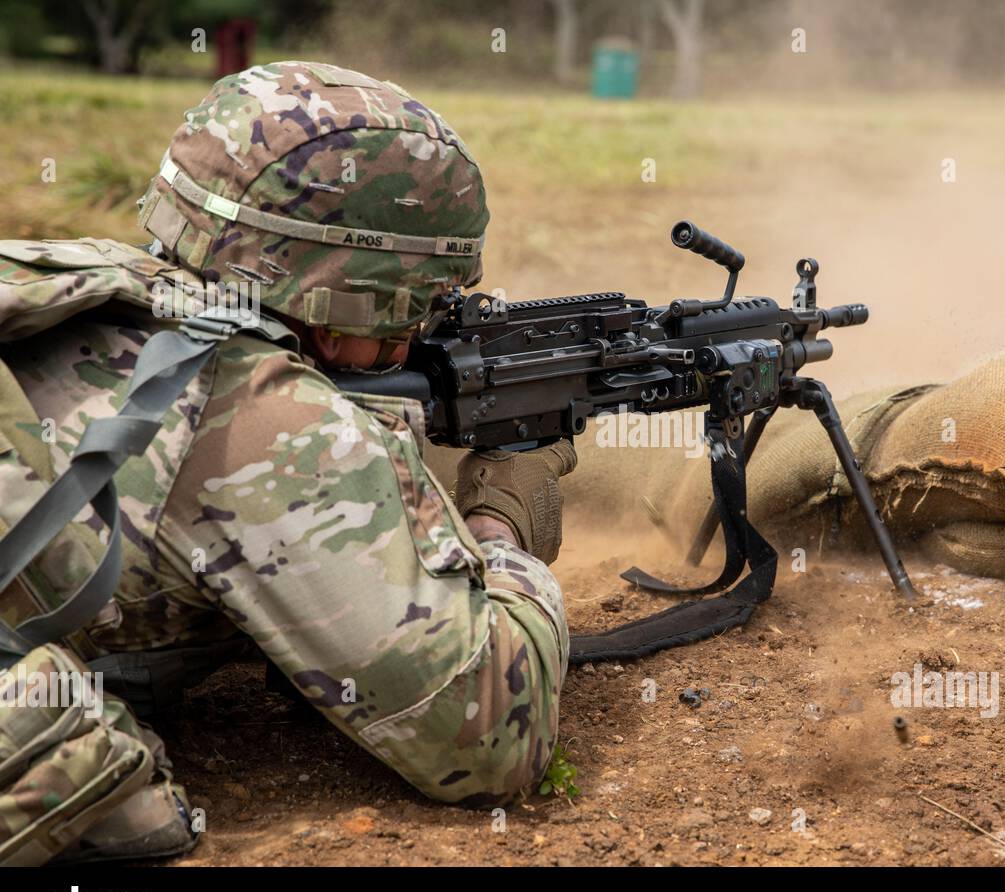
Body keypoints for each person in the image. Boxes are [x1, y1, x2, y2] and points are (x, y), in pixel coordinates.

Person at [0, 61, 574, 810]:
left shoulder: (85, 289)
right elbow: (486, 737)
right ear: (358, 294)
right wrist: (500, 530)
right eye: (422, 306)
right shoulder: (263, 421)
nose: (421, 334)